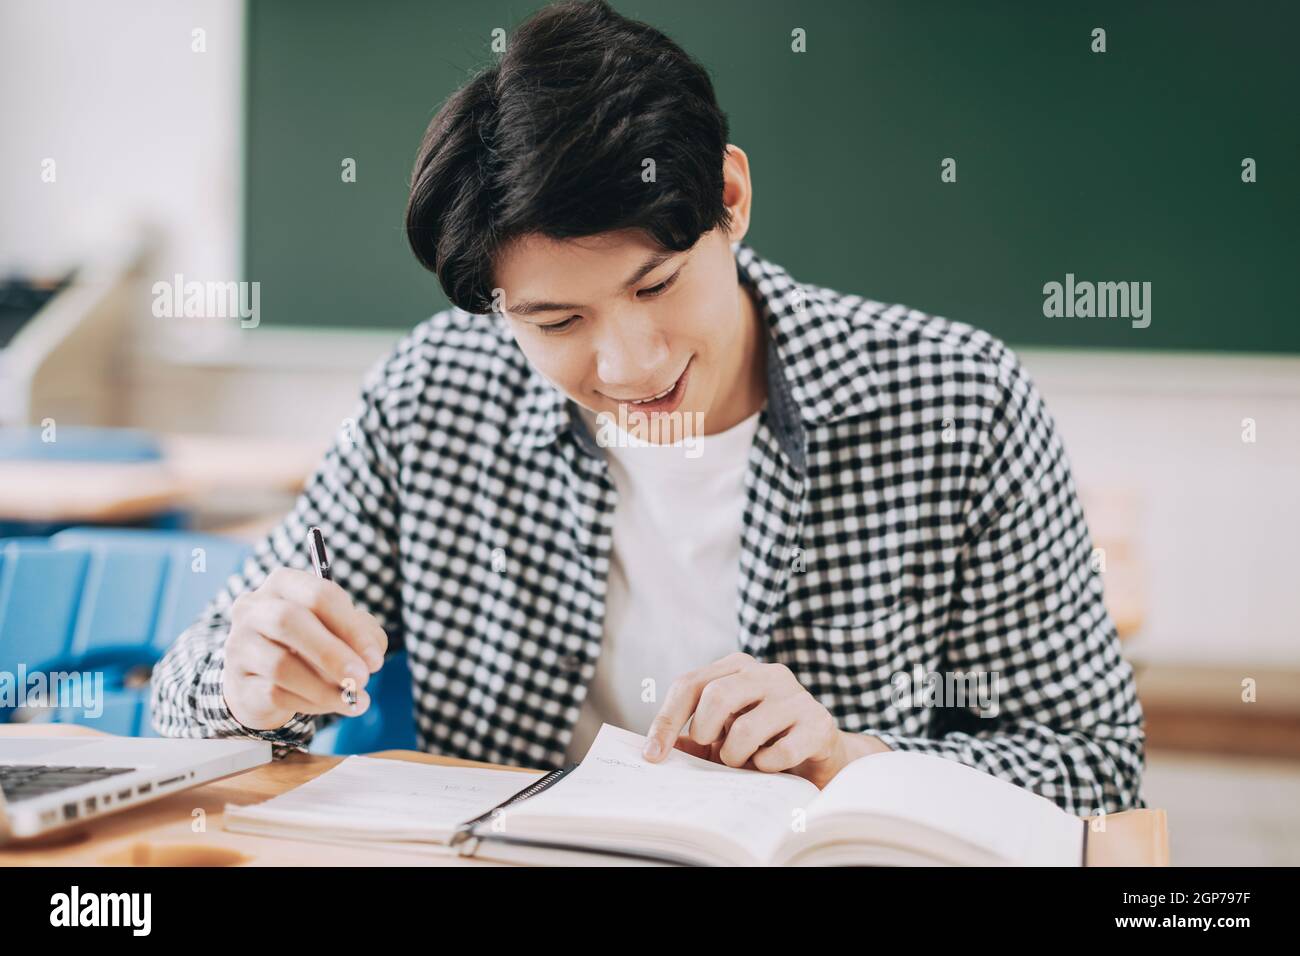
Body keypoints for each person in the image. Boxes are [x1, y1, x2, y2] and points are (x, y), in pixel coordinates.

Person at [152, 0, 1144, 814]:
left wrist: (854, 760)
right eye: (554, 319)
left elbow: (1095, 767)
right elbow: (179, 695)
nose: (630, 364)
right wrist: (246, 680)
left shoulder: (957, 403)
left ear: (730, 195)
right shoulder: (433, 396)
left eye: (657, 284)